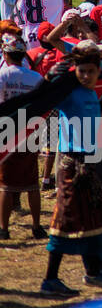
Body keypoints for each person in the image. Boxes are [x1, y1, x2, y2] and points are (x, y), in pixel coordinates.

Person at [41, 41, 102, 297]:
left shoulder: (90, 93)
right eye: (82, 71)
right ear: (75, 70)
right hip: (70, 165)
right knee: (64, 222)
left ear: (99, 71)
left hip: (88, 164)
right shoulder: (68, 93)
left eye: (91, 71)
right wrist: (52, 74)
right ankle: (50, 280)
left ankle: (96, 271)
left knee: (97, 220)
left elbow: (94, 117)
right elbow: (44, 93)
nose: (86, 76)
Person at [0, 34, 45, 240]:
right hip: (30, 132)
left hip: (7, 132)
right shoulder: (36, 78)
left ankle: (4, 228)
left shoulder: (2, 75)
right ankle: (36, 226)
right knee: (32, 183)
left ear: (6, 54)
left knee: (6, 185)